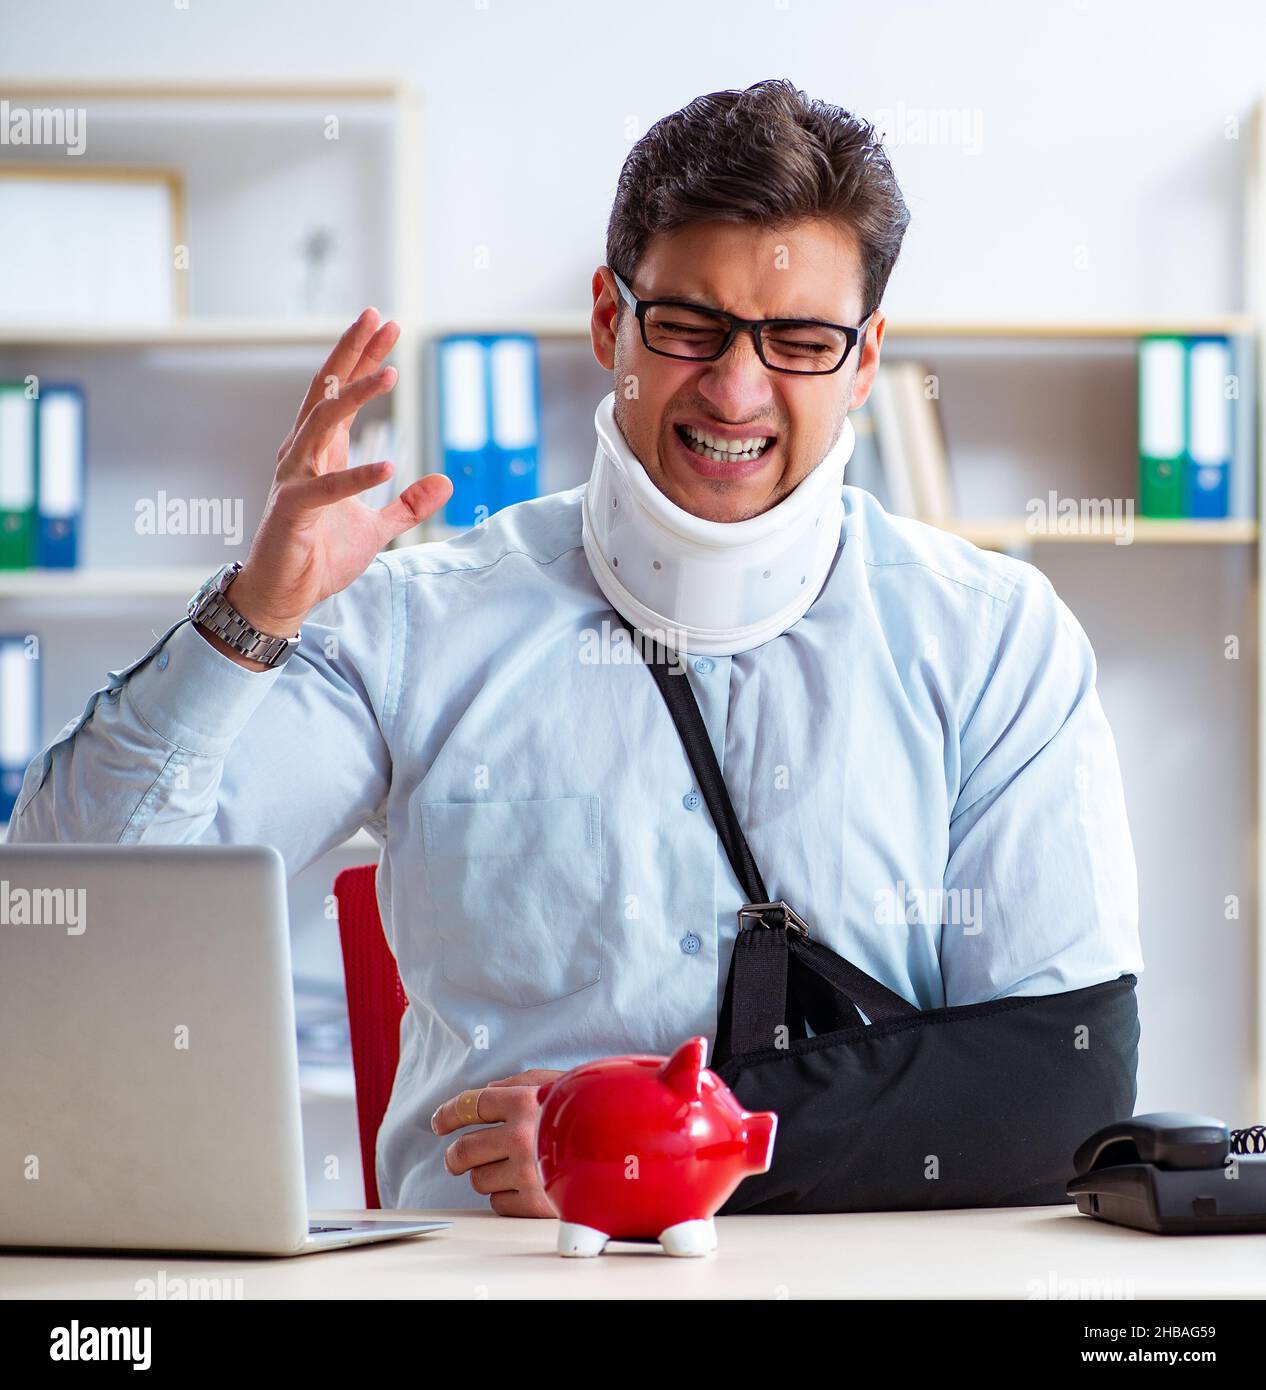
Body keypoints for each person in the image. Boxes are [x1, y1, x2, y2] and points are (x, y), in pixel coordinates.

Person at [10, 79, 1142, 1215]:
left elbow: (1061, 1079)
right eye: (690, 326)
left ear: (863, 360)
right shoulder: (420, 621)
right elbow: (78, 910)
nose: (737, 388)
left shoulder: (994, 636)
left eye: (799, 340)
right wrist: (255, 613)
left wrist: (636, 1143)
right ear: (611, 321)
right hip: (491, 1288)